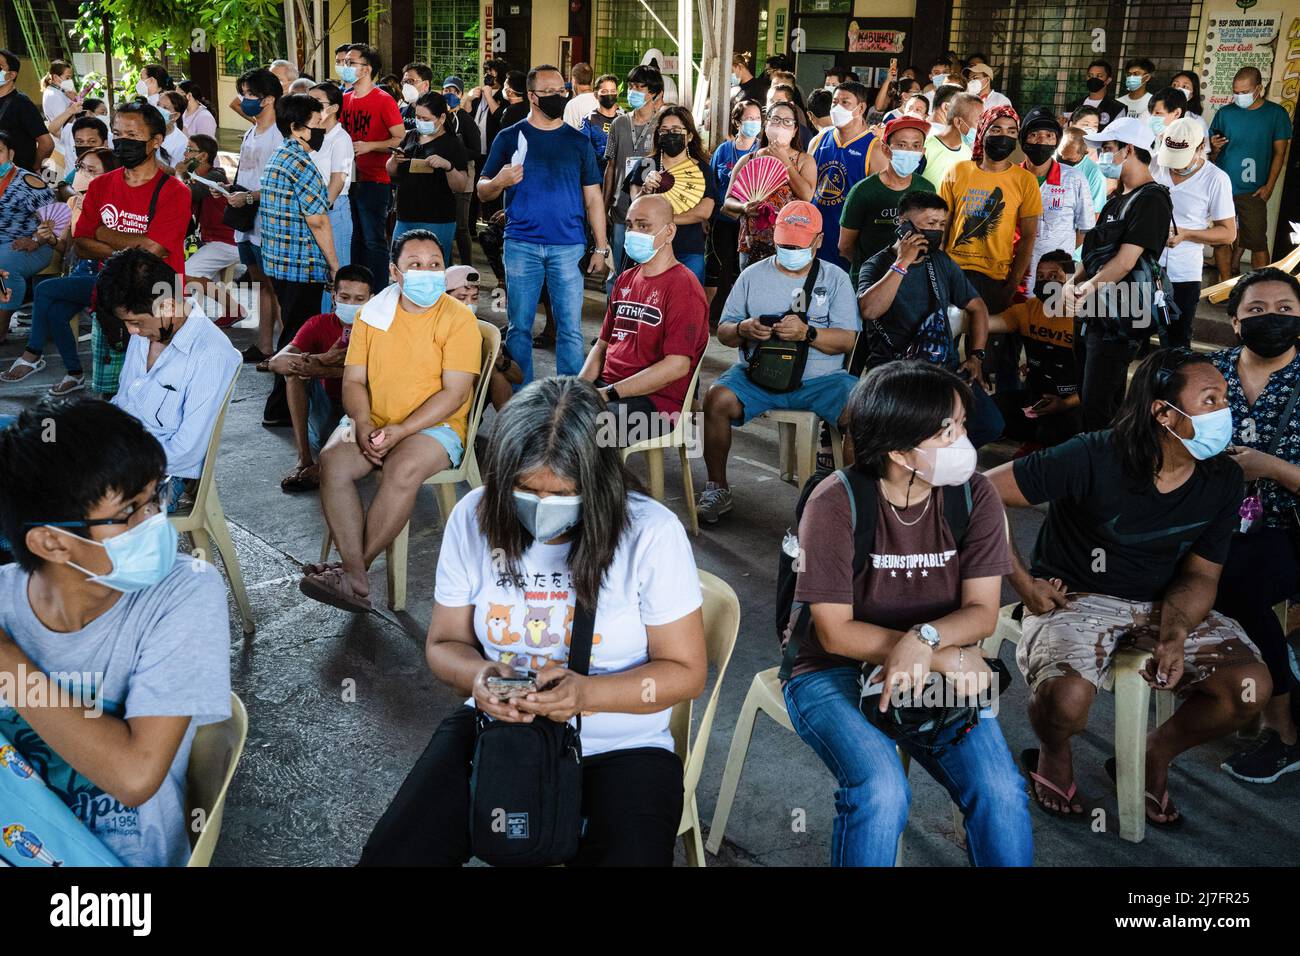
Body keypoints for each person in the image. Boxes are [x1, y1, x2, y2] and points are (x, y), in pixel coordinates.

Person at [357, 376, 706, 866]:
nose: (543, 508)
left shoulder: (651, 534)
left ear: (597, 481)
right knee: (393, 856)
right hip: (497, 732)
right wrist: (479, 677)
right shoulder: (473, 518)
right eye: (525, 489)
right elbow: (444, 643)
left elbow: (685, 671)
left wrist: (585, 695)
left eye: (562, 493)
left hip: (620, 747)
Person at [988, 349, 1268, 826]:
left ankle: (1154, 753)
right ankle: (1054, 753)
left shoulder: (1222, 478)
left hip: (1163, 604)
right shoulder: (1096, 454)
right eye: (1210, 400)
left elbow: (1202, 575)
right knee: (1067, 702)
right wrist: (1022, 581)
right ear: (1164, 412)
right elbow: (982, 493)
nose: (1227, 412)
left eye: (1225, 398)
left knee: (1247, 690)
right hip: (1076, 597)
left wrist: (1175, 631)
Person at [782, 362, 1031, 867]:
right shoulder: (836, 501)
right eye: (947, 432)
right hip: (833, 671)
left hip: (939, 655)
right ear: (898, 451)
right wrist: (938, 657)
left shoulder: (973, 494)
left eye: (961, 424)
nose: (964, 439)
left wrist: (928, 639)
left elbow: (983, 612)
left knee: (1001, 792)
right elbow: (834, 633)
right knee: (880, 789)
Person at [0, 398, 232, 867]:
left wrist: (9, 665)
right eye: (130, 510)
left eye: (156, 497)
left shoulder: (183, 593)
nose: (156, 522)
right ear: (51, 542)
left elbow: (134, 776)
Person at [302, 229, 481, 610]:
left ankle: (352, 571)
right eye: (414, 264)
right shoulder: (374, 314)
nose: (427, 272)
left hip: (436, 426)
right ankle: (354, 575)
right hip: (377, 421)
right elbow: (353, 380)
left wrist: (401, 429)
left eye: (435, 265)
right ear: (395, 273)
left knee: (401, 469)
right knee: (332, 462)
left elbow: (455, 394)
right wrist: (363, 421)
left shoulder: (458, 319)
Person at [9, 102, 190, 399]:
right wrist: (134, 240)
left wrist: (103, 233)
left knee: (158, 391)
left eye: (132, 134)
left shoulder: (174, 191)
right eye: (118, 133)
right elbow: (80, 245)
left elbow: (154, 249)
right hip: (111, 297)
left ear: (156, 141)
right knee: (110, 392)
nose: (122, 141)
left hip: (159, 302)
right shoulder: (101, 186)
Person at [697, 201, 860, 524]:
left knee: (863, 408)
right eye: (783, 244)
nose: (789, 251)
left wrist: (808, 333)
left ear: (818, 241)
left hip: (821, 380)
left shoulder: (836, 278)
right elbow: (724, 332)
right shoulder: (752, 275)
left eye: (797, 245)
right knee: (716, 400)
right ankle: (717, 486)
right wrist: (744, 328)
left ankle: (855, 496)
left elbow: (847, 340)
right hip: (758, 375)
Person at [1210, 269, 1300, 781]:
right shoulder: (1208, 373)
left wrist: (1270, 468)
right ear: (1235, 320)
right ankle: (1219, 692)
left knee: (1235, 586)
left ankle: (1283, 731)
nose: (1272, 319)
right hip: (1209, 521)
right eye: (1257, 310)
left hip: (1287, 528)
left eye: (1285, 310)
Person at [478, 64, 610, 384]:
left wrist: (601, 248)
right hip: (521, 244)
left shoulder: (578, 142)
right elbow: (482, 190)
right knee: (520, 327)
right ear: (533, 96)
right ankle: (524, 398)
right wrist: (500, 180)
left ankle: (569, 397)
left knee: (570, 328)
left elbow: (593, 198)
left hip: (568, 246)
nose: (558, 97)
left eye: (561, 91)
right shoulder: (510, 137)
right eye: (550, 92)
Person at [855, 192, 1002, 448]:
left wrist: (977, 356)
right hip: (896, 372)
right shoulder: (876, 265)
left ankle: (938, 465)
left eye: (941, 225)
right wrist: (903, 263)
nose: (936, 231)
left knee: (990, 424)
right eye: (929, 223)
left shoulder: (941, 262)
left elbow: (977, 307)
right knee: (913, 432)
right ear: (903, 223)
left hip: (941, 369)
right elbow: (869, 310)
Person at [96, 247, 240, 481]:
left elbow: (187, 451)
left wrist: (114, 462)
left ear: (169, 306)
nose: (131, 331)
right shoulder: (146, 334)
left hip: (165, 475)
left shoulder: (212, 355)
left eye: (135, 322)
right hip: (123, 452)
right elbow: (124, 402)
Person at [1070, 117, 1172, 431]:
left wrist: (1084, 288)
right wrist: (1072, 281)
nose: (1101, 156)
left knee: (1098, 402)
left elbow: (1126, 261)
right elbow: (1096, 253)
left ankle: (1100, 467)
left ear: (1128, 150)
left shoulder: (1152, 199)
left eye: (1108, 149)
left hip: (1120, 316)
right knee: (1099, 397)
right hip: (1096, 312)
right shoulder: (1118, 198)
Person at [579, 194, 708, 442]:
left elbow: (677, 366)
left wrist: (609, 394)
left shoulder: (684, 287)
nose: (633, 232)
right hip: (609, 388)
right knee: (546, 413)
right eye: (629, 225)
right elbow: (603, 344)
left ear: (669, 232)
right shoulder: (625, 279)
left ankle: (602, 481)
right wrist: (580, 386)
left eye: (643, 225)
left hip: (657, 404)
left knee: (585, 431)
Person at [939, 105, 1042, 390]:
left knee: (984, 355)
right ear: (983, 131)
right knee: (943, 343)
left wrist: (1012, 284)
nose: (1003, 137)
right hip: (953, 274)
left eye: (1011, 131)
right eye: (996, 129)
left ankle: (979, 413)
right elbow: (943, 227)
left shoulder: (1025, 181)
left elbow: (1029, 237)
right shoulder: (957, 171)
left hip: (996, 279)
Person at [0, 145, 117, 388]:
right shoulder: (75, 202)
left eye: (91, 170)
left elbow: (107, 251)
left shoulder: (114, 206)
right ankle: (74, 374)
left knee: (45, 289)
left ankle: (32, 354)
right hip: (80, 274)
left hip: (107, 276)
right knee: (55, 313)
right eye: (81, 168)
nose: (83, 174)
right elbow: (67, 249)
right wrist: (49, 239)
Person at [258, 93, 340, 427]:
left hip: (279, 263)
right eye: (316, 124)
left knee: (290, 331)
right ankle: (280, 408)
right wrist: (335, 265)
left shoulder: (281, 153)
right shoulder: (300, 163)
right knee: (296, 340)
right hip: (300, 265)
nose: (321, 129)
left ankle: (283, 406)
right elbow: (317, 219)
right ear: (296, 128)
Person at [271, 263, 374, 492]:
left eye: (359, 299)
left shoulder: (379, 329)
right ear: (333, 296)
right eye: (345, 297)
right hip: (326, 413)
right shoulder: (319, 324)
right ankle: (304, 458)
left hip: (362, 418)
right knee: (293, 375)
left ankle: (326, 467)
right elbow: (276, 362)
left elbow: (377, 377)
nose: (351, 304)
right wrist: (324, 358)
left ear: (372, 299)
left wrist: (322, 369)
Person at [1153, 117, 1235, 349]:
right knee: (1133, 335)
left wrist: (1186, 234)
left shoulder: (1216, 179)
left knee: (1176, 342)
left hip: (1183, 273)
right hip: (1145, 266)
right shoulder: (1155, 165)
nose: (1175, 165)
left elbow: (1228, 234)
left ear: (1201, 147)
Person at [986, 250, 1082, 448]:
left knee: (1051, 432)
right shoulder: (1030, 309)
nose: (1046, 282)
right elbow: (988, 323)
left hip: (1074, 404)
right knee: (988, 411)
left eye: (1054, 276)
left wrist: (1065, 404)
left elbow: (1099, 383)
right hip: (1036, 399)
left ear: (1071, 280)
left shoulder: (1085, 318)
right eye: (1040, 276)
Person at [1209, 66, 1292, 282]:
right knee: (1221, 239)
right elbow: (1211, 156)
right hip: (1223, 186)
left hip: (1253, 190)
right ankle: (1224, 284)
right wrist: (1215, 147)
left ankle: (1259, 287)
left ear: (1259, 89)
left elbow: (1280, 153)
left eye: (1244, 92)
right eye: (1236, 92)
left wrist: (1269, 186)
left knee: (1257, 241)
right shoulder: (1225, 113)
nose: (1239, 96)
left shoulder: (1276, 114)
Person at [838, 116, 935, 289]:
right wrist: (872, 267)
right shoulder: (863, 191)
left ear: (923, 151)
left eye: (916, 146)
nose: (909, 151)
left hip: (909, 284)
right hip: (868, 284)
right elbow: (845, 246)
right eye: (902, 145)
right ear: (885, 149)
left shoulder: (927, 189)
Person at [229, 68, 284, 363]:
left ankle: (287, 346)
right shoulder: (253, 129)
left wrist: (249, 196)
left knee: (275, 286)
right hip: (246, 218)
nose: (245, 99)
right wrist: (229, 190)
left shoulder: (278, 135)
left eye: (251, 95)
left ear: (269, 99)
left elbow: (277, 184)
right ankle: (264, 345)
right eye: (245, 93)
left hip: (267, 221)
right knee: (258, 282)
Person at [627, 106, 717, 285]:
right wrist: (645, 190)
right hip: (649, 248)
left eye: (676, 130)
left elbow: (704, 211)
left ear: (689, 135)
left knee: (687, 300)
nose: (670, 135)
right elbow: (634, 211)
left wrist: (662, 221)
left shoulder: (703, 169)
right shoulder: (646, 165)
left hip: (689, 249)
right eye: (664, 131)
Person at [341, 43, 405, 288]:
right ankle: (355, 288)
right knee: (353, 238)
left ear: (367, 69)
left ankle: (378, 290)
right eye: (344, 62)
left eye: (350, 63)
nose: (344, 67)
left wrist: (370, 145)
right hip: (347, 179)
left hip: (375, 180)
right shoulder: (345, 99)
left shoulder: (383, 100)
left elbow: (400, 139)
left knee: (373, 240)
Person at [722, 101, 816, 269]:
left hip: (790, 246)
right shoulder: (748, 160)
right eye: (775, 120)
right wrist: (744, 207)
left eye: (787, 122)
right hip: (752, 244)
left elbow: (807, 195)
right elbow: (728, 201)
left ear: (794, 131)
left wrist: (785, 161)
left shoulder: (805, 161)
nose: (780, 125)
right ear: (765, 126)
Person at [387, 91, 468, 262]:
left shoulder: (453, 143)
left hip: (437, 219)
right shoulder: (410, 136)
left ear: (442, 118)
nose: (420, 122)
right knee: (399, 264)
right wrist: (395, 159)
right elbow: (390, 170)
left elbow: (460, 185)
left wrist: (448, 166)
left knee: (432, 268)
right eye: (418, 117)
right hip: (405, 215)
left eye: (426, 119)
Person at [603, 65, 665, 288]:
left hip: (653, 211)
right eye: (630, 86)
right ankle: (614, 310)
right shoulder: (619, 123)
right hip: (621, 209)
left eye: (640, 87)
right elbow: (610, 167)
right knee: (617, 268)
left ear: (654, 93)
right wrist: (604, 205)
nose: (634, 91)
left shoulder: (662, 125)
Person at [1019, 107, 1095, 285]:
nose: (1041, 141)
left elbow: (1085, 228)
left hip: (1058, 277)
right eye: (1034, 134)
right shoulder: (1011, 177)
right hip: (1015, 273)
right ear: (1023, 140)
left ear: (1056, 141)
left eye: (1049, 136)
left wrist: (1058, 251)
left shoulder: (1074, 179)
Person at [808, 81, 877, 270]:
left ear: (860, 107)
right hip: (815, 233)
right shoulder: (819, 139)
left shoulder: (875, 148)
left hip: (847, 241)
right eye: (835, 102)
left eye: (845, 102)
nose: (837, 107)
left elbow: (875, 204)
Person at [706, 99, 762, 311]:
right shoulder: (723, 150)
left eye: (757, 118)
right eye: (748, 118)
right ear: (737, 122)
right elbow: (711, 185)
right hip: (721, 220)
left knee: (742, 270)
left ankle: (737, 313)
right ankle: (709, 314)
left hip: (749, 223)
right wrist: (707, 218)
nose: (753, 123)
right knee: (715, 266)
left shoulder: (761, 151)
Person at [178, 133, 240, 322]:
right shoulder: (197, 177)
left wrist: (179, 173)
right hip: (212, 241)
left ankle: (234, 309)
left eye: (189, 150)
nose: (185, 154)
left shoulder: (214, 176)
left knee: (184, 274)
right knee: (184, 274)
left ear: (203, 156)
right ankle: (191, 318)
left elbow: (184, 194)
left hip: (228, 242)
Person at [0, 131, 56, 336]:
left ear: (11, 154)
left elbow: (56, 220)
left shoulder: (27, 182)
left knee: (2, 266)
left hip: (29, 247)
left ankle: (2, 329)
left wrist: (36, 239)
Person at [309, 81, 354, 309]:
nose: (311, 107)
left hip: (332, 212)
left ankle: (335, 330)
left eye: (317, 103)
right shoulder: (311, 135)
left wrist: (319, 210)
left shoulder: (341, 139)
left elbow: (337, 182)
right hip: (313, 213)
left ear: (334, 108)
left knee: (336, 275)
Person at [0, 49, 56, 175]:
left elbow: (46, 144)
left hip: (16, 179)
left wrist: (32, 168)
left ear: (11, 75)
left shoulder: (21, 103)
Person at [921, 90, 981, 190]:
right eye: (978, 121)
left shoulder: (968, 153)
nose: (981, 127)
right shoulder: (925, 149)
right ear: (958, 122)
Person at [1057, 125, 1107, 215]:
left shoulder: (1095, 173)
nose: (1063, 159)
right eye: (1060, 156)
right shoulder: (1051, 161)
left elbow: (1095, 212)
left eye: (1070, 159)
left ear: (1083, 153)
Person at [580, 73, 622, 171]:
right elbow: (583, 149)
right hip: (596, 175)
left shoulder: (624, 118)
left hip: (619, 175)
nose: (609, 94)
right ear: (596, 95)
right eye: (604, 91)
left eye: (613, 91)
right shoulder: (589, 119)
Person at [1068, 59, 1127, 129]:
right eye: (1090, 76)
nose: (1093, 79)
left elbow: (1117, 135)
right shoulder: (1074, 105)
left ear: (1108, 80)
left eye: (1099, 76)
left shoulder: (1117, 108)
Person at [157, 91, 188, 170]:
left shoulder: (182, 142)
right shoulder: (145, 129)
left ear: (176, 115)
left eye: (165, 108)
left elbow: (176, 172)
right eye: (158, 105)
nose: (158, 109)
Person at [398, 62, 434, 130]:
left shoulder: (436, 112)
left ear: (426, 84)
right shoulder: (401, 111)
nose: (406, 86)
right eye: (404, 82)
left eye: (410, 81)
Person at [563, 62, 597, 130]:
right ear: (592, 81)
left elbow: (568, 135)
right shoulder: (601, 100)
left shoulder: (572, 105)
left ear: (574, 80)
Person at [40, 60, 76, 124]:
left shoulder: (59, 90)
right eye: (67, 78)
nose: (70, 80)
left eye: (71, 77)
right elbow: (64, 122)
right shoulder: (53, 95)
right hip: (64, 132)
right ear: (55, 77)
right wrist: (75, 102)